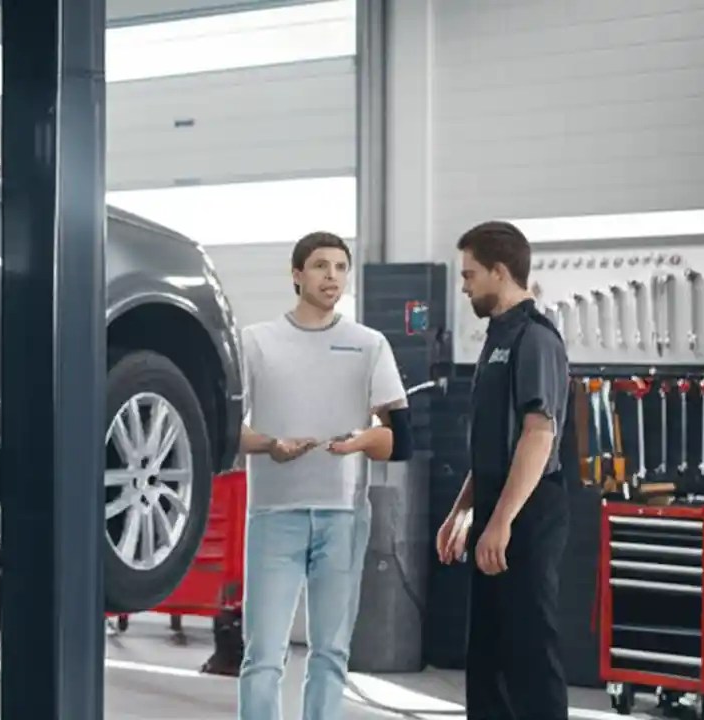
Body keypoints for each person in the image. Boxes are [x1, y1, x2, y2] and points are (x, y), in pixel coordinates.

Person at [237, 231, 412, 720]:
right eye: (319, 266)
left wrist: (357, 441)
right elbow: (226, 429)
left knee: (331, 654)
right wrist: (271, 444)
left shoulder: (368, 344)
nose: (331, 276)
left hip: (344, 517)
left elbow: (394, 437)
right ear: (296, 274)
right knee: (263, 656)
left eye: (339, 266)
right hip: (273, 515)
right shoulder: (256, 342)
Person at [436, 220, 572, 720]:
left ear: (499, 271)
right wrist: (462, 510)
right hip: (496, 506)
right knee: (488, 652)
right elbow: (495, 443)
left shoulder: (535, 340)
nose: (465, 284)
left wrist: (502, 521)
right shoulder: (496, 339)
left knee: (530, 652)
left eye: (470, 273)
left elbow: (538, 436)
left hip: (530, 513)